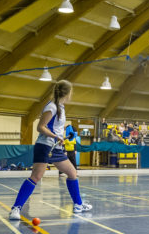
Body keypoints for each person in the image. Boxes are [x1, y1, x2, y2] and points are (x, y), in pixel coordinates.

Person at [9, 80, 92, 220]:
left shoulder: (61, 107)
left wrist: (60, 137)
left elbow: (55, 128)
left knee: (72, 173)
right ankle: (15, 209)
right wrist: (55, 137)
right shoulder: (52, 107)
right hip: (46, 146)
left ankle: (78, 204)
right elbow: (40, 127)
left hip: (56, 148)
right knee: (36, 176)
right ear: (68, 92)